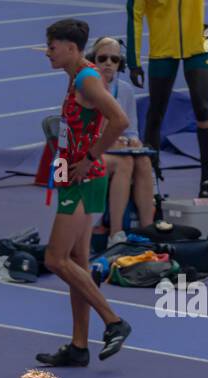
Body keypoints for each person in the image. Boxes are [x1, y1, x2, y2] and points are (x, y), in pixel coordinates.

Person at [37, 19, 133, 370]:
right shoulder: (76, 77)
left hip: (84, 179)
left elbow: (119, 120)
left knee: (55, 260)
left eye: (52, 46)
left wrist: (90, 157)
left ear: (72, 49)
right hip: (76, 177)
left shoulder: (87, 80)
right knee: (76, 263)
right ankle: (79, 347)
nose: (48, 52)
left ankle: (113, 321)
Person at [126, 0, 208, 188]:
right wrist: (134, 62)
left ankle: (206, 180)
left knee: (203, 107)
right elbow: (134, 14)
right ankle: (152, 181)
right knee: (156, 112)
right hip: (162, 49)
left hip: (199, 45)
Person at [87, 37, 155, 244]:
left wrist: (134, 141)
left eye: (114, 59)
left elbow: (131, 130)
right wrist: (111, 141)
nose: (108, 63)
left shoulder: (124, 90)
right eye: (103, 58)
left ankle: (148, 230)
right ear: (93, 60)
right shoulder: (87, 86)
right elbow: (86, 132)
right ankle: (115, 234)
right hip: (91, 154)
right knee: (125, 163)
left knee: (143, 160)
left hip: (116, 149)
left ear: (120, 64)